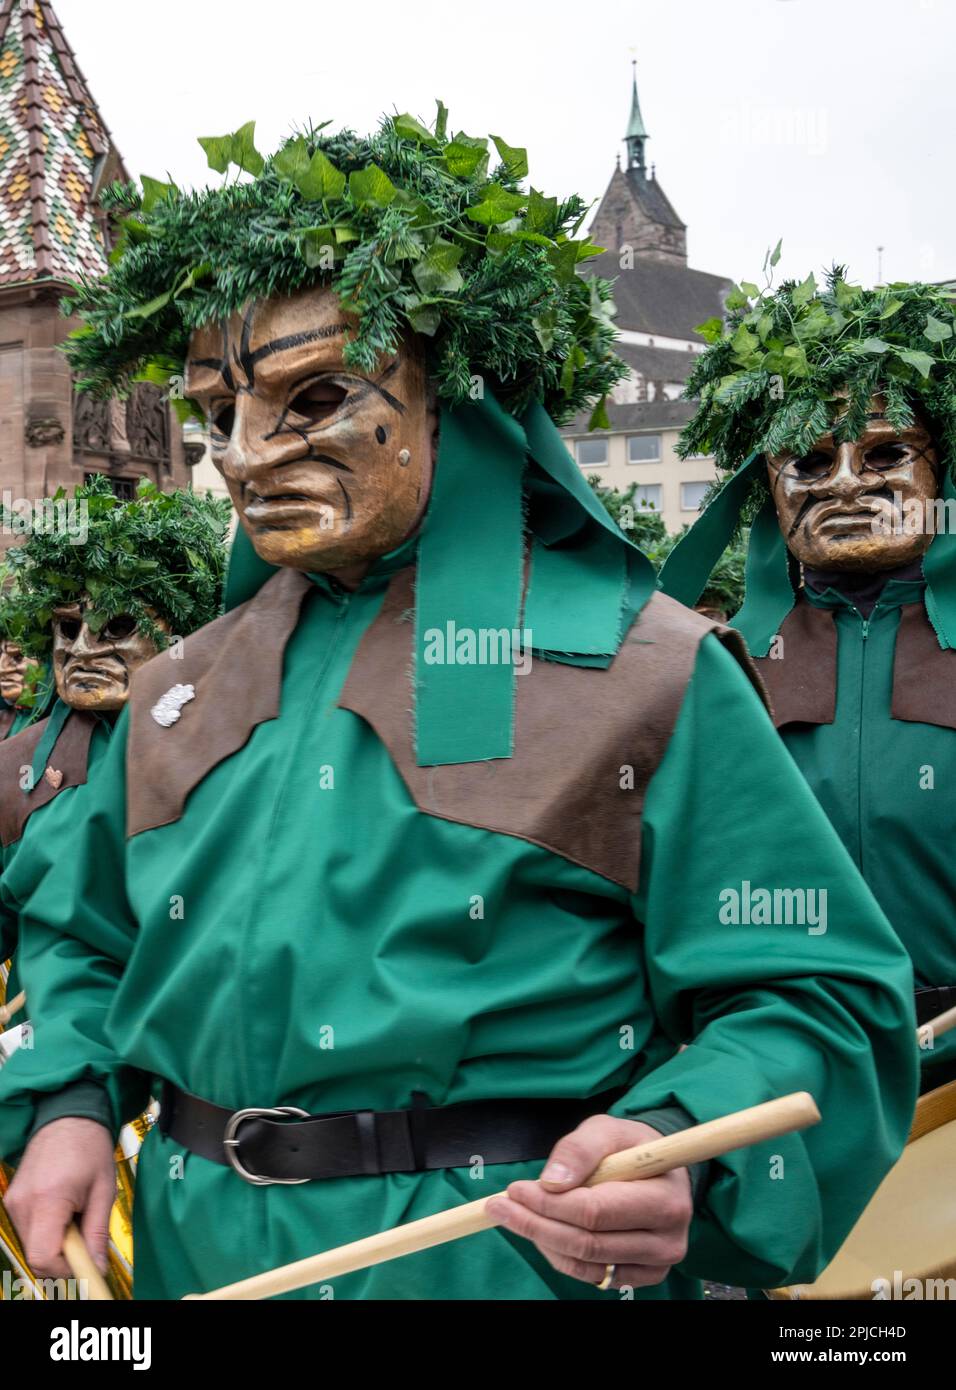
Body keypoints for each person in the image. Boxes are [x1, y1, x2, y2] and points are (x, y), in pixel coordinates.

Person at [0, 116, 918, 1300]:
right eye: (212, 412)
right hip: (192, 1268)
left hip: (505, 1266)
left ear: (448, 394)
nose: (243, 455)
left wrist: (690, 1134)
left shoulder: (652, 672)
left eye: (314, 395)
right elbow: (81, 931)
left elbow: (815, 993)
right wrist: (71, 1099)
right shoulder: (178, 688)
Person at [661, 267, 956, 1092]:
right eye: (811, 462)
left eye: (887, 452)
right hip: (785, 1086)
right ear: (768, 489)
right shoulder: (706, 663)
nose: (849, 483)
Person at [0, 477, 228, 1297]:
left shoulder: (234, 746)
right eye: (66, 627)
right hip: (58, 1079)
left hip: (191, 1099)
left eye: (119, 626)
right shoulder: (13, 767)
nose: (81, 647)